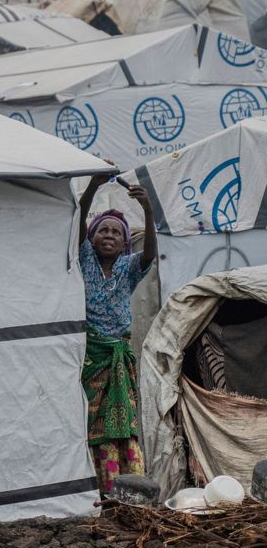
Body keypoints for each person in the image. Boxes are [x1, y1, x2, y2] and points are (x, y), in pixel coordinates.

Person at [77, 173, 156, 494]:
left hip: (120, 358)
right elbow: (78, 219)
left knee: (126, 426)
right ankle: (104, 489)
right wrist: (94, 185)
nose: (109, 235)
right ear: (92, 238)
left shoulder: (129, 268)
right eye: (103, 230)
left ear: (125, 243)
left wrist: (148, 210)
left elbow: (150, 253)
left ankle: (133, 485)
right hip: (93, 357)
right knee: (97, 427)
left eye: (116, 233)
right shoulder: (85, 261)